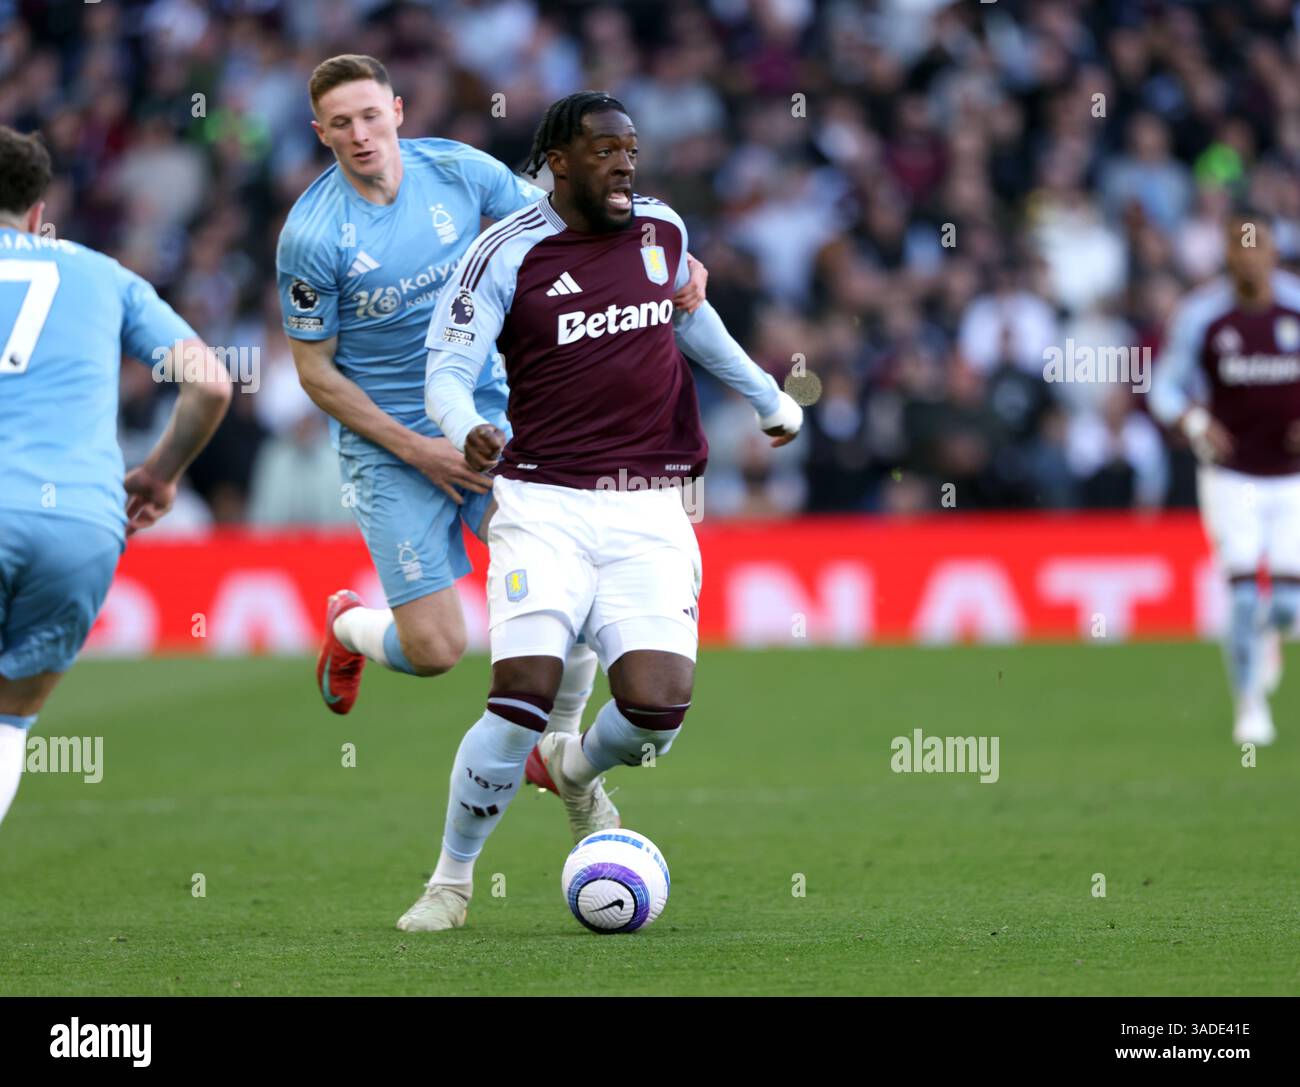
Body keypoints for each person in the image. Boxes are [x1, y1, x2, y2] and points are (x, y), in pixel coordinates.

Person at [415, 91, 803, 932]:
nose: (625, 162)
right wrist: (467, 425)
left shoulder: (663, 231)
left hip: (652, 505)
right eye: (605, 150)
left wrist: (768, 397)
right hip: (543, 499)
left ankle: (574, 763)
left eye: (631, 148)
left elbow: (688, 321)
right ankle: (450, 880)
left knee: (659, 709)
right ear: (558, 160)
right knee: (520, 693)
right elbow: (445, 369)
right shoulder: (504, 254)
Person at [0, 126, 231, 825]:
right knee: (11, 722)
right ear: (40, 211)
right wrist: (160, 475)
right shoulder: (104, 274)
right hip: (79, 522)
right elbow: (212, 384)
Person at [1151, 211, 1300, 744]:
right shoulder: (1201, 315)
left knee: (1286, 604)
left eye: (1257, 245)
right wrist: (1195, 421)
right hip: (1231, 475)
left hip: (1292, 479)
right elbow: (1162, 389)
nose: (1248, 255)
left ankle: (1269, 639)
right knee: (1240, 596)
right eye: (1238, 246)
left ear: (1273, 252)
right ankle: (1249, 706)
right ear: (1226, 253)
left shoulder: (1294, 305)